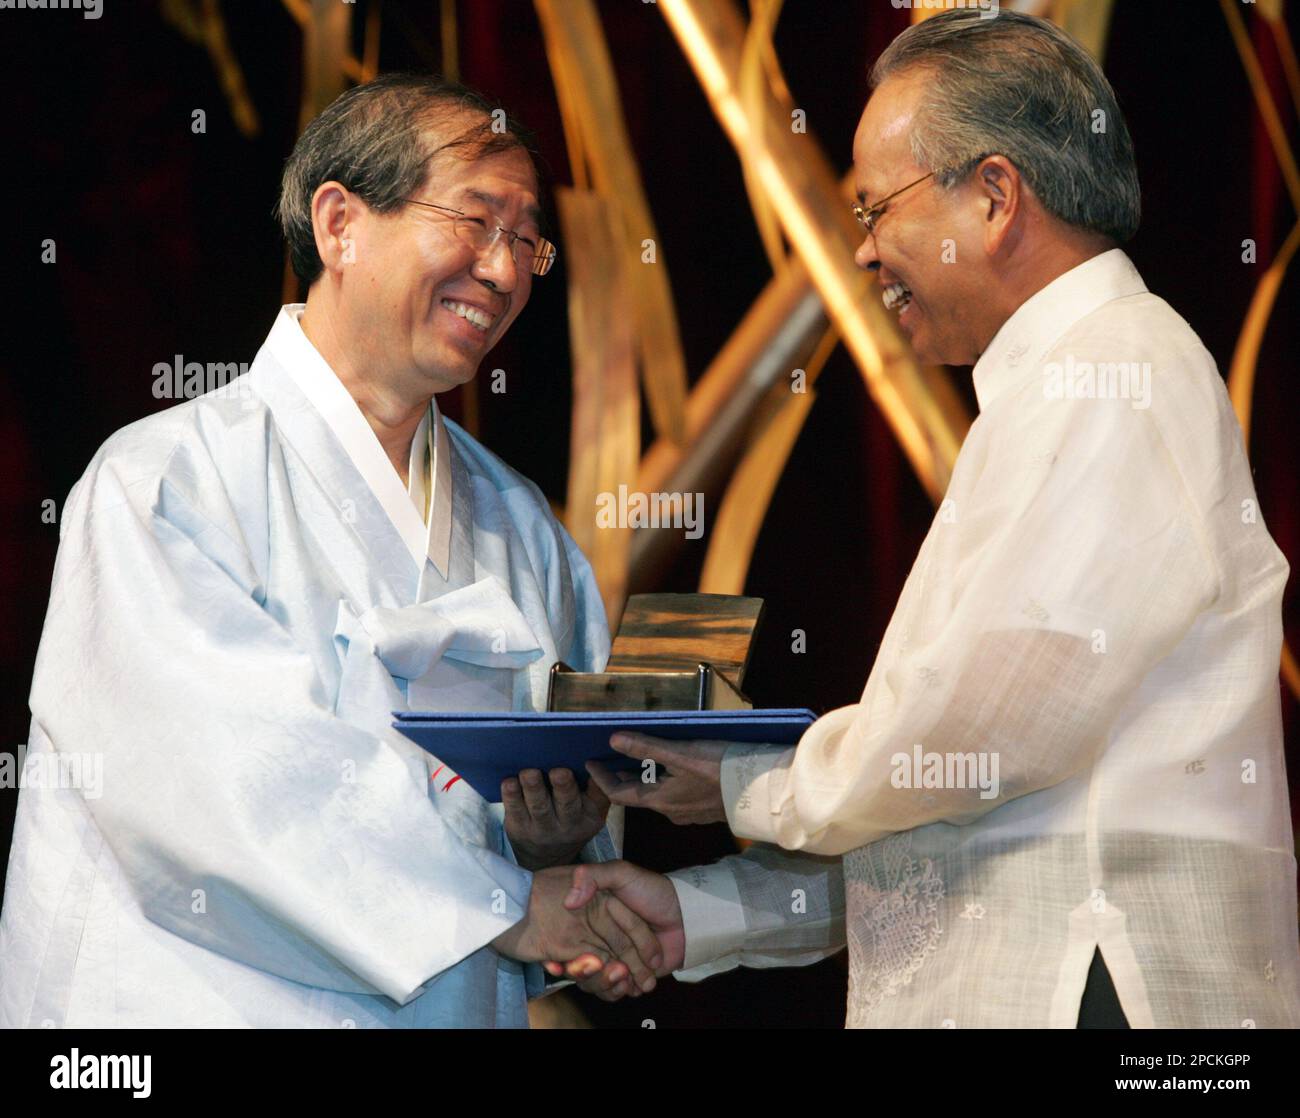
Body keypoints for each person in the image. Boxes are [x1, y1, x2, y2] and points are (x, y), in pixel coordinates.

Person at [562, 10, 1300, 1029]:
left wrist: (753, 783)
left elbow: (981, 733)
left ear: (995, 196)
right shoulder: (1053, 392)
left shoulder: (1114, 373)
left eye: (877, 209)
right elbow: (951, 822)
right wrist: (702, 911)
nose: (863, 253)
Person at [0, 73, 660, 1029]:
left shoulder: (522, 529)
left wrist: (548, 850)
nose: (506, 271)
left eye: (527, 240)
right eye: (476, 221)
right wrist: (507, 905)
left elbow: (566, 867)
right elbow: (219, 785)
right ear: (340, 223)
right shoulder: (166, 483)